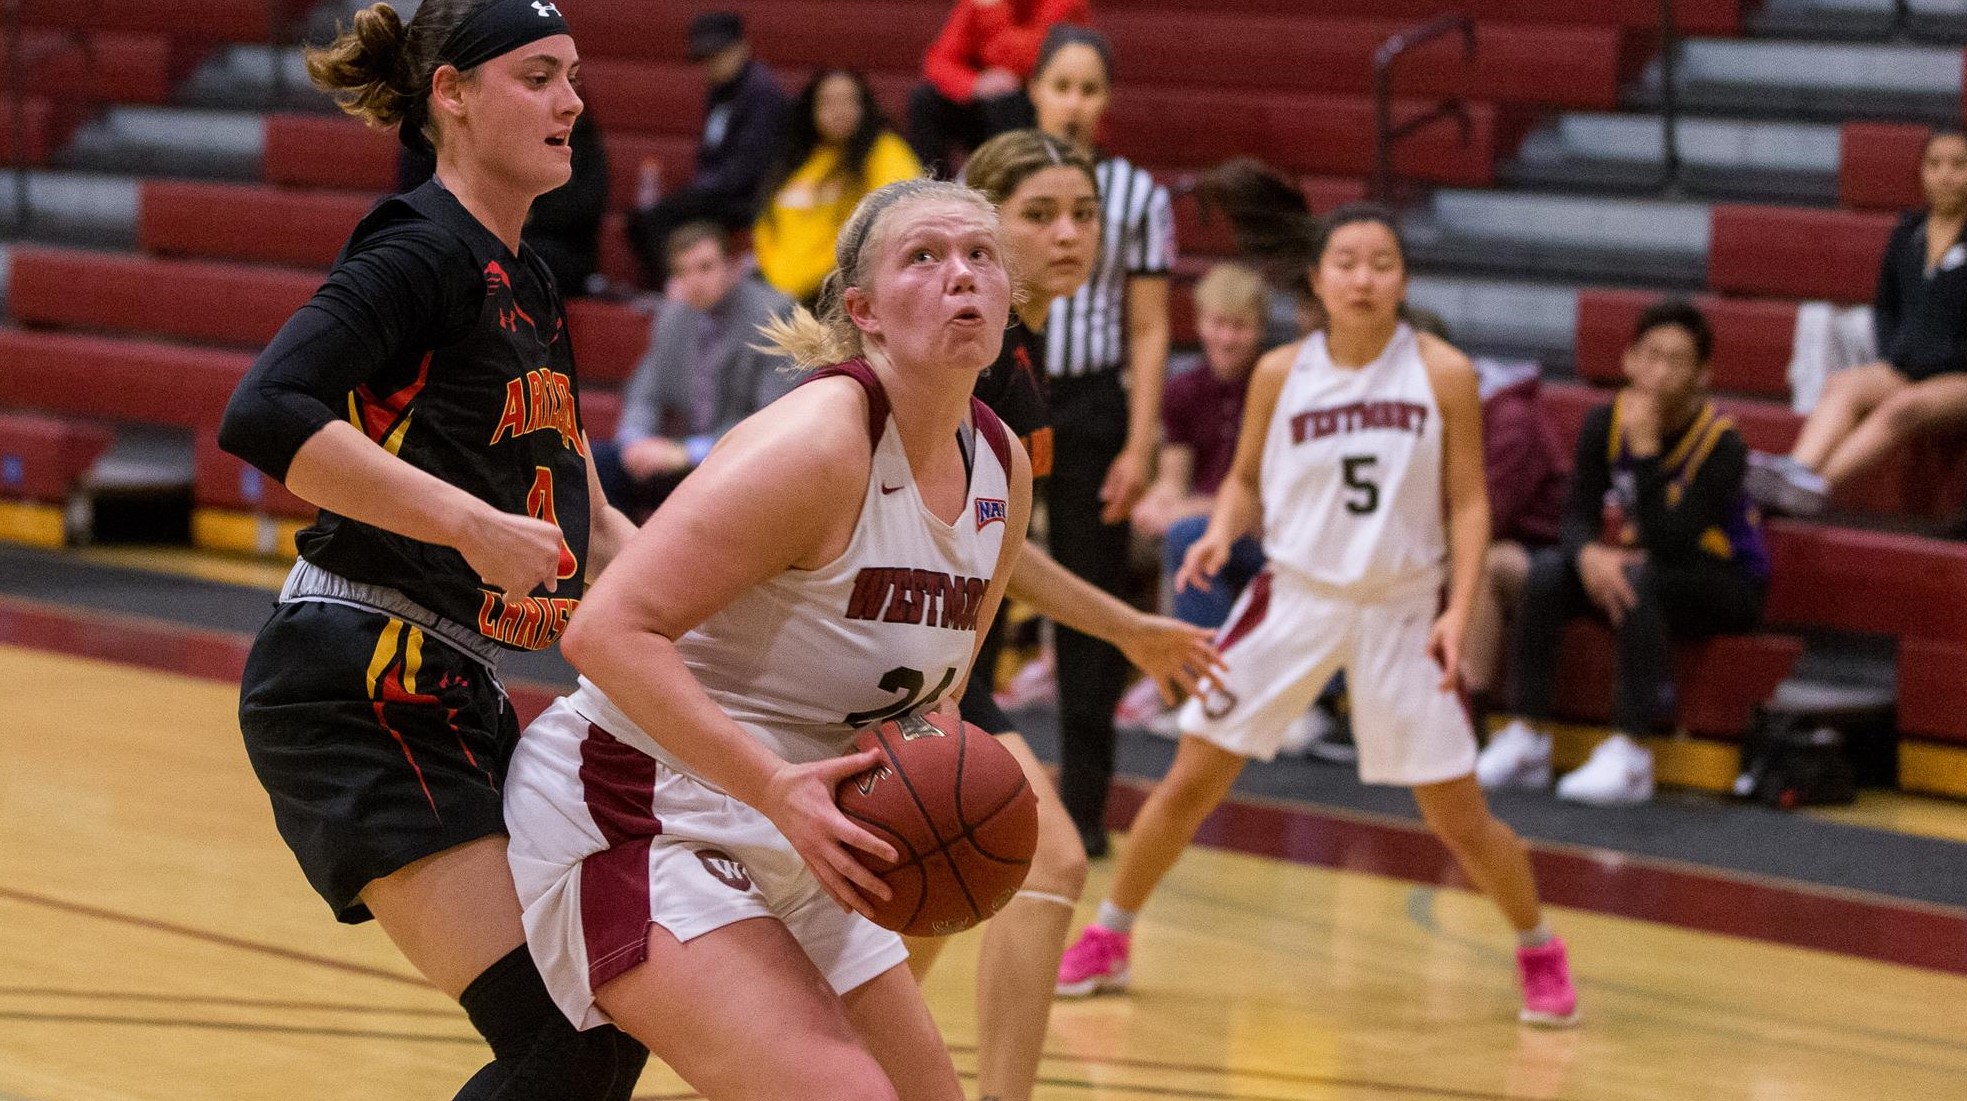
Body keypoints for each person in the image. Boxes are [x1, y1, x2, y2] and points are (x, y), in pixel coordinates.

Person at [502, 178, 1030, 1101]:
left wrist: (926, 823)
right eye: (925, 257)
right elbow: (607, 631)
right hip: (643, 810)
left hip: (806, 828)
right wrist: (773, 786)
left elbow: (932, 708)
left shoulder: (1002, 466)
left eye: (980, 255)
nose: (962, 277)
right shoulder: (819, 443)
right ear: (860, 310)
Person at [216, 3, 646, 1096]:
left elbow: (589, 509)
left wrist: (721, 619)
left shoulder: (532, 279)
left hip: (454, 681)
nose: (572, 103)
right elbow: (265, 410)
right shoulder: (417, 250)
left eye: (575, 76)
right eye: (540, 77)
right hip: (359, 679)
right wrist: (467, 523)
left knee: (613, 1013)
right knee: (567, 1038)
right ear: (450, 95)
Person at [1056, 204, 1581, 1028]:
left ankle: (1538, 945)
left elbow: (1471, 502)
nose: (1363, 277)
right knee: (1191, 777)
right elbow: (1244, 481)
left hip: (1401, 609)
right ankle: (1110, 934)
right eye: (1346, 261)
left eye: (1380, 262)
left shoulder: (1443, 372)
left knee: (1457, 814)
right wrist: (1221, 530)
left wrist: (1459, 605)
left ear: (1401, 278)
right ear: (1317, 278)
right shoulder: (1279, 372)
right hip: (1293, 597)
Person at [900, 128, 1221, 1101]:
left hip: (945, 672)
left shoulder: (1016, 352)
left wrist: (1124, 626)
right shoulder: (969, 355)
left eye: (1083, 215)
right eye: (1040, 216)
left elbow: (997, 543)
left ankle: (821, 1068)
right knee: (1048, 861)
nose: (1070, 234)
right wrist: (1125, 624)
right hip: (896, 667)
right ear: (983, 224)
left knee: (908, 919)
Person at [1480, 300, 1768, 806]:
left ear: (1704, 374)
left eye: (1677, 361)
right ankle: (1528, 738)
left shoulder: (1723, 444)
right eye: (1651, 356)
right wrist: (1588, 553)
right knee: (1547, 574)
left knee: (1640, 581)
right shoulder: (1602, 422)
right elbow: (1575, 516)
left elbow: (1672, 541)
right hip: (1653, 567)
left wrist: (1649, 449)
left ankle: (1632, 753)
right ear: (1629, 361)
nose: (1659, 372)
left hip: (1726, 582)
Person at [1029, 25, 1176, 856]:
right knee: (976, 580)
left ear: (1105, 102)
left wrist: (1140, 441)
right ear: (1036, 90)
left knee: (1091, 603)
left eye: (1090, 89)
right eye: (1062, 86)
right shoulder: (998, 176)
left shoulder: (1137, 195)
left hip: (1091, 405)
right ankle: (949, 774)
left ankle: (1085, 810)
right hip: (1008, 386)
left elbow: (1150, 328)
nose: (1075, 103)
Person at [1748, 128, 1967, 516]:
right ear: (1921, 173)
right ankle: (1799, 468)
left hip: (1959, 376)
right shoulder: (1908, 233)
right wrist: (1893, 352)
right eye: (1934, 164)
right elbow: (1886, 306)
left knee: (1902, 407)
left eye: (1958, 164)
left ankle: (1818, 486)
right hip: (1909, 366)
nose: (1945, 174)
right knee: (1842, 384)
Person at [592, 222, 797, 519]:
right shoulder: (673, 316)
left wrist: (687, 453)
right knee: (600, 465)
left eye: (705, 268)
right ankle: (618, 560)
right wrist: (635, 440)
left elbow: (771, 417)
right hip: (683, 458)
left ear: (732, 267)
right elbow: (644, 392)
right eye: (683, 272)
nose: (694, 281)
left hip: (741, 462)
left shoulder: (774, 315)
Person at [626, 11, 788, 288]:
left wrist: (698, 193)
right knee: (645, 216)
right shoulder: (722, 91)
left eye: (718, 55)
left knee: (655, 219)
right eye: (706, 58)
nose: (711, 64)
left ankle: (683, 288)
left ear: (742, 48)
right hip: (721, 191)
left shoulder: (760, 94)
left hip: (749, 199)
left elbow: (748, 168)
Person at [398, 110, 610, 296]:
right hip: (464, 235)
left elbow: (584, 207)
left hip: (547, 243)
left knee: (528, 257)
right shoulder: (429, 132)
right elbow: (416, 195)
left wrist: (521, 213)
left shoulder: (579, 137)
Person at [755, 69, 923, 304]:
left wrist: (834, 275)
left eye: (848, 100)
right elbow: (766, 227)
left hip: (843, 294)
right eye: (828, 102)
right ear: (811, 109)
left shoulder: (884, 152)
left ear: (864, 106)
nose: (838, 111)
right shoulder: (800, 162)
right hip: (778, 295)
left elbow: (896, 220)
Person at [1462, 354, 1567, 711]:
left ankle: (1469, 713)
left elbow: (1488, 519)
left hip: (1550, 553)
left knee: (1475, 563)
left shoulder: (1511, 419)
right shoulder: (1471, 409)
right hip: (1516, 544)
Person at [906, 0, 1087, 175]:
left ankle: (1006, 183)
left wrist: (993, 11)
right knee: (925, 99)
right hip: (990, 108)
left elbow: (1027, 59)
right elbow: (938, 61)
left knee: (1006, 101)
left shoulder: (1065, 3)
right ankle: (932, 188)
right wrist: (975, 83)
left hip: (1035, 113)